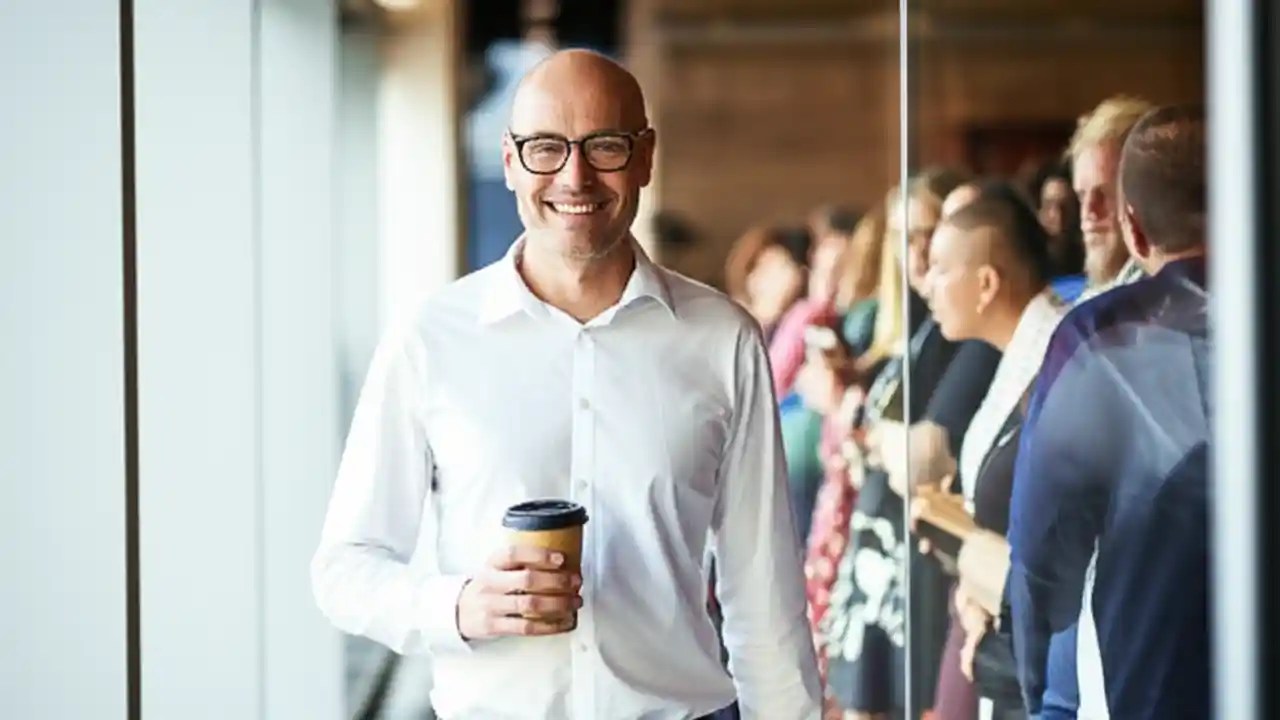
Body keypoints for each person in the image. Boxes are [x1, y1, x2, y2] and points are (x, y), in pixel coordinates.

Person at [311, 49, 822, 720]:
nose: (575, 176)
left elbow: (765, 594)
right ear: (509, 161)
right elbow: (345, 570)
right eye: (546, 148)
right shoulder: (429, 340)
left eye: (604, 145)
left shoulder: (721, 339)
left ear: (645, 157)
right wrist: (458, 605)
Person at [1008, 105, 1210, 719]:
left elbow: (1043, 551)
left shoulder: (1101, 336)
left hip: (1153, 688)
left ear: (1134, 230)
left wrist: (1037, 691)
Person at [1067, 95, 1155, 300]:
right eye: (1081, 196)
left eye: (1104, 193)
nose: (1088, 212)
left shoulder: (1155, 303)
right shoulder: (1092, 298)